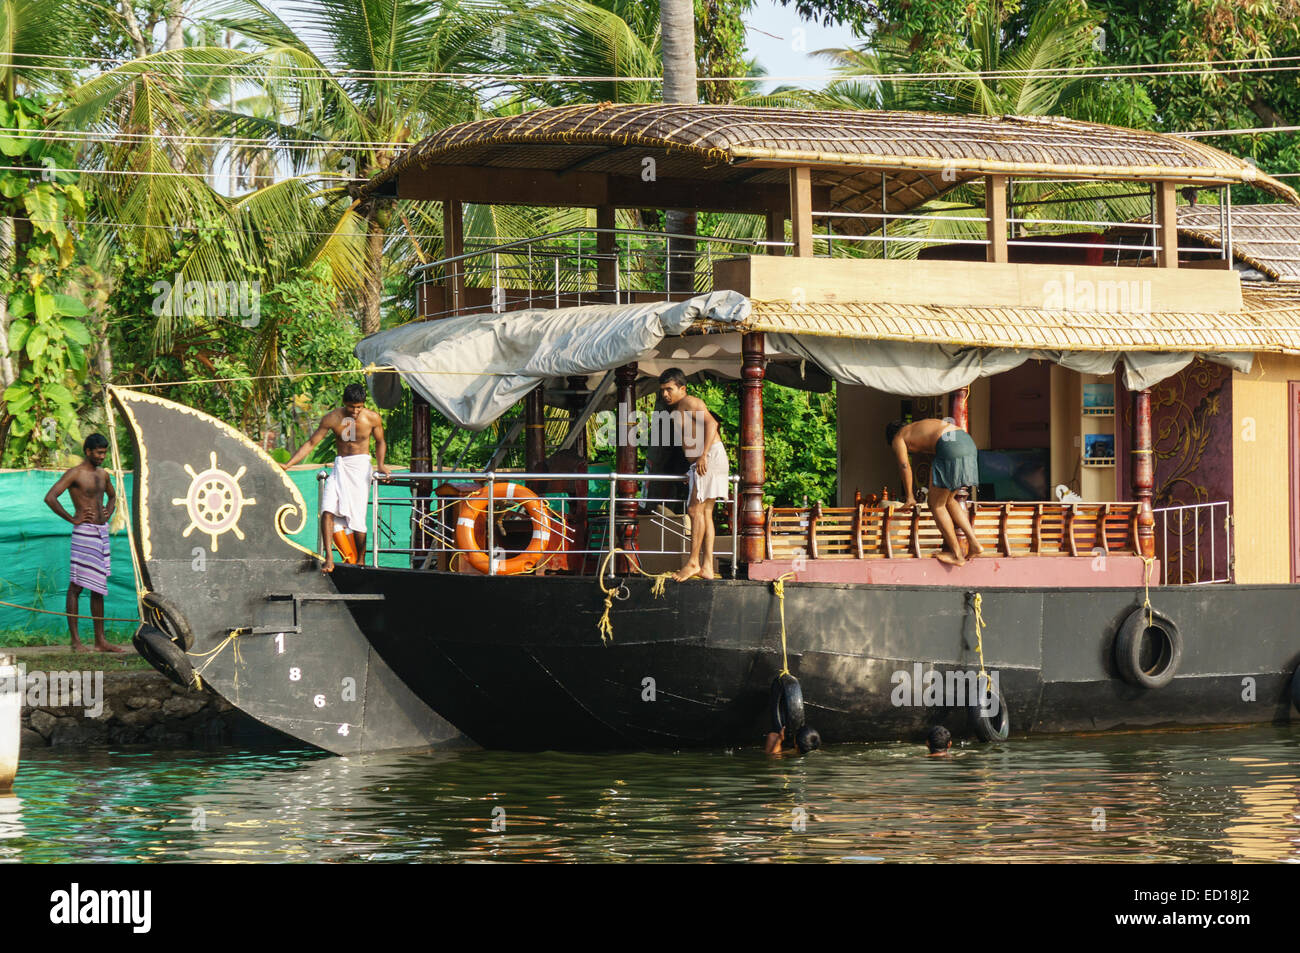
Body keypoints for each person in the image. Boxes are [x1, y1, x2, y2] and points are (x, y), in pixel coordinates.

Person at [282, 383, 391, 572]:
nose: (355, 411)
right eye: (351, 407)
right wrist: (288, 464)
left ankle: (361, 561)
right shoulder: (332, 418)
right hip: (340, 466)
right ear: (344, 403)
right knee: (327, 510)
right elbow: (311, 443)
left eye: (359, 407)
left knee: (357, 518)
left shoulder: (372, 418)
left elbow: (381, 441)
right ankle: (329, 559)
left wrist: (381, 465)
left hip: (360, 467)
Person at [45, 434, 123, 653]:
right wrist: (72, 519)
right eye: (98, 452)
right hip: (84, 533)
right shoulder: (75, 474)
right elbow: (51, 497)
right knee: (77, 586)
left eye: (104, 452)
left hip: (101, 533)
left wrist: (110, 510)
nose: (102, 456)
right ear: (88, 451)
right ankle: (76, 642)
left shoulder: (104, 475)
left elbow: (113, 496)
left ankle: (100, 641)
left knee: (98, 587)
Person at [658, 368, 729, 582]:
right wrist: (692, 465)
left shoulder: (690, 402)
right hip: (702, 461)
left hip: (709, 458)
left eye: (669, 389)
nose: (665, 395)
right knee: (705, 513)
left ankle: (692, 562)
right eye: (662, 391)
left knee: (694, 510)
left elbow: (712, 423)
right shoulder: (676, 409)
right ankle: (707, 566)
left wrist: (703, 456)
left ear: (682, 388)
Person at [886, 418, 984, 567]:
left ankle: (957, 555)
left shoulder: (898, 437)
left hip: (950, 446)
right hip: (967, 442)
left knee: (936, 504)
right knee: (949, 500)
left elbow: (904, 466)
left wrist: (910, 497)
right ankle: (975, 544)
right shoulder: (919, 427)